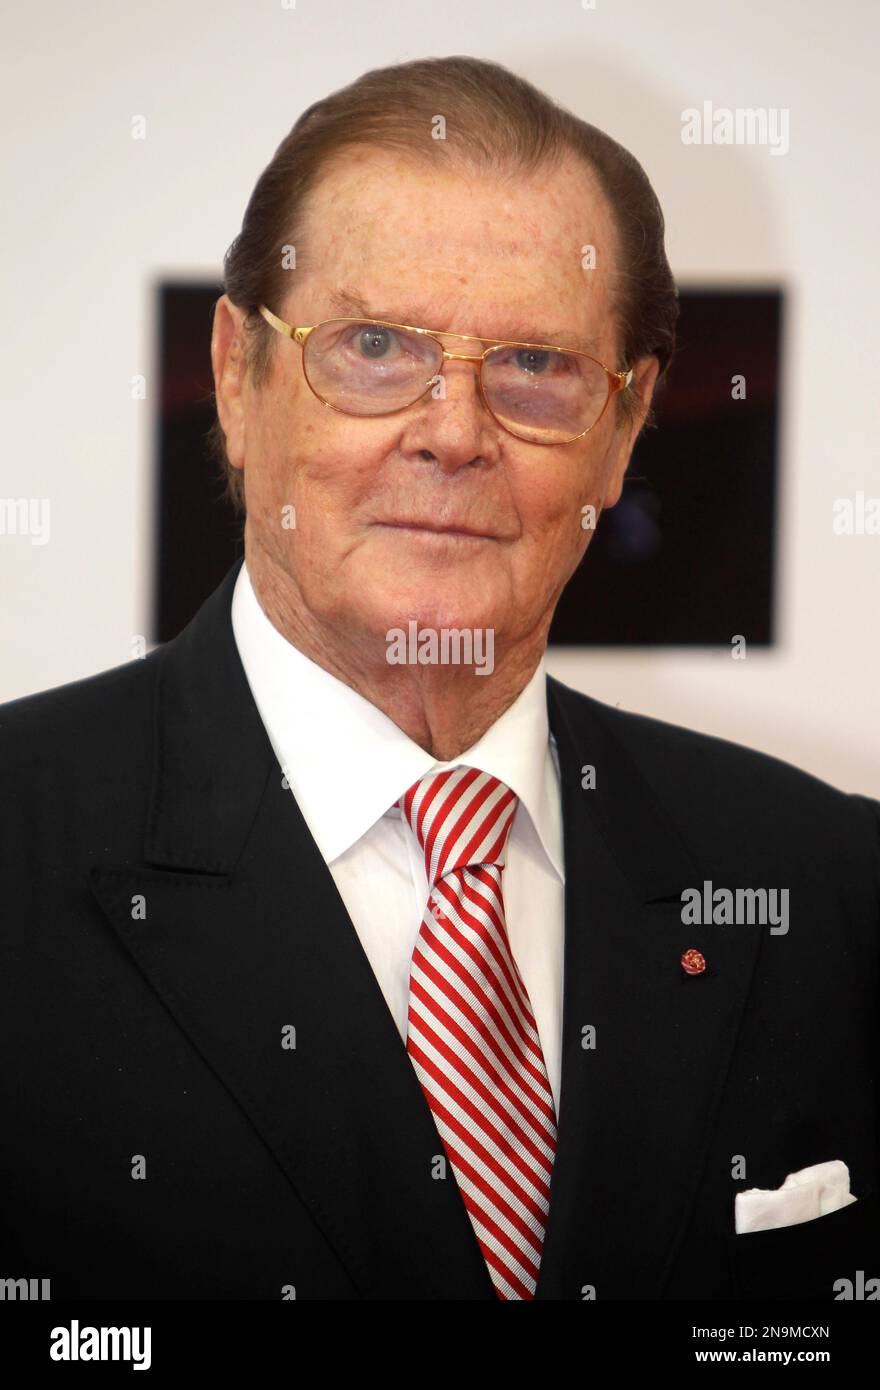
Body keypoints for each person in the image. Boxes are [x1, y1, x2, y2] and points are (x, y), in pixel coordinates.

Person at [1, 55, 877, 1302]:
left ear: (622, 431)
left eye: (534, 367)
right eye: (372, 345)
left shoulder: (829, 889)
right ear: (238, 380)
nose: (455, 430)